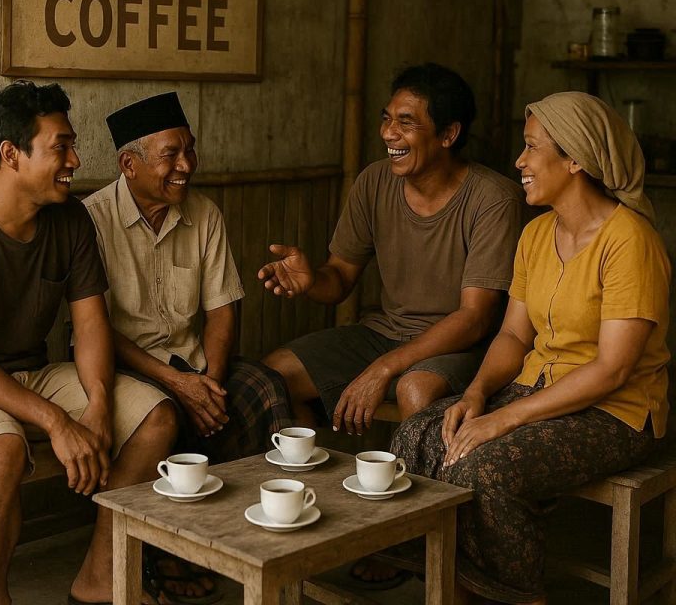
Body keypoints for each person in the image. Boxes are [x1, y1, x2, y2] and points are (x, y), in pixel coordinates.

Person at [392, 91, 671, 605]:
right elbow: (515, 336)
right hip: (535, 390)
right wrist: (476, 394)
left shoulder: (630, 241)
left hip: (616, 412)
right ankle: (453, 590)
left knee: (485, 467)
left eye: (532, 147)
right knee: (417, 436)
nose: (519, 161)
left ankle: (517, 597)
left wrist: (505, 419)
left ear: (576, 159)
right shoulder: (536, 234)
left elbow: (612, 370)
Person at [0, 80, 172, 605]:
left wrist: (98, 405)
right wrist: (57, 421)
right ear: (11, 154)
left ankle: (97, 577)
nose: (75, 160)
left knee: (156, 417)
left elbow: (91, 324)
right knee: (1, 450)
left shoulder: (70, 219)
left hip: (30, 373)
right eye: (61, 146)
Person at [83, 91, 293, 604]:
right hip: (123, 367)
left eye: (190, 150)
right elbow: (95, 330)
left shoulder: (205, 214)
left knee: (265, 390)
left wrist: (210, 383)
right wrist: (180, 385)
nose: (186, 165)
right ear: (128, 164)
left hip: (195, 366)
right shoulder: (90, 221)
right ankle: (156, 554)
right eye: (171, 155)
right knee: (164, 412)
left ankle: (247, 542)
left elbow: (222, 310)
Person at [259, 63, 523, 435]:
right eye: (387, 119)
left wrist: (384, 368)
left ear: (448, 134)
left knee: (414, 388)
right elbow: (339, 279)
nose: (388, 133)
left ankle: (426, 477)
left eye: (406, 122)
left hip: (463, 346)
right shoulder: (374, 180)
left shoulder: (493, 199)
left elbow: (474, 318)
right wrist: (312, 280)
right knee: (272, 377)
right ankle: (313, 469)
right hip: (385, 334)